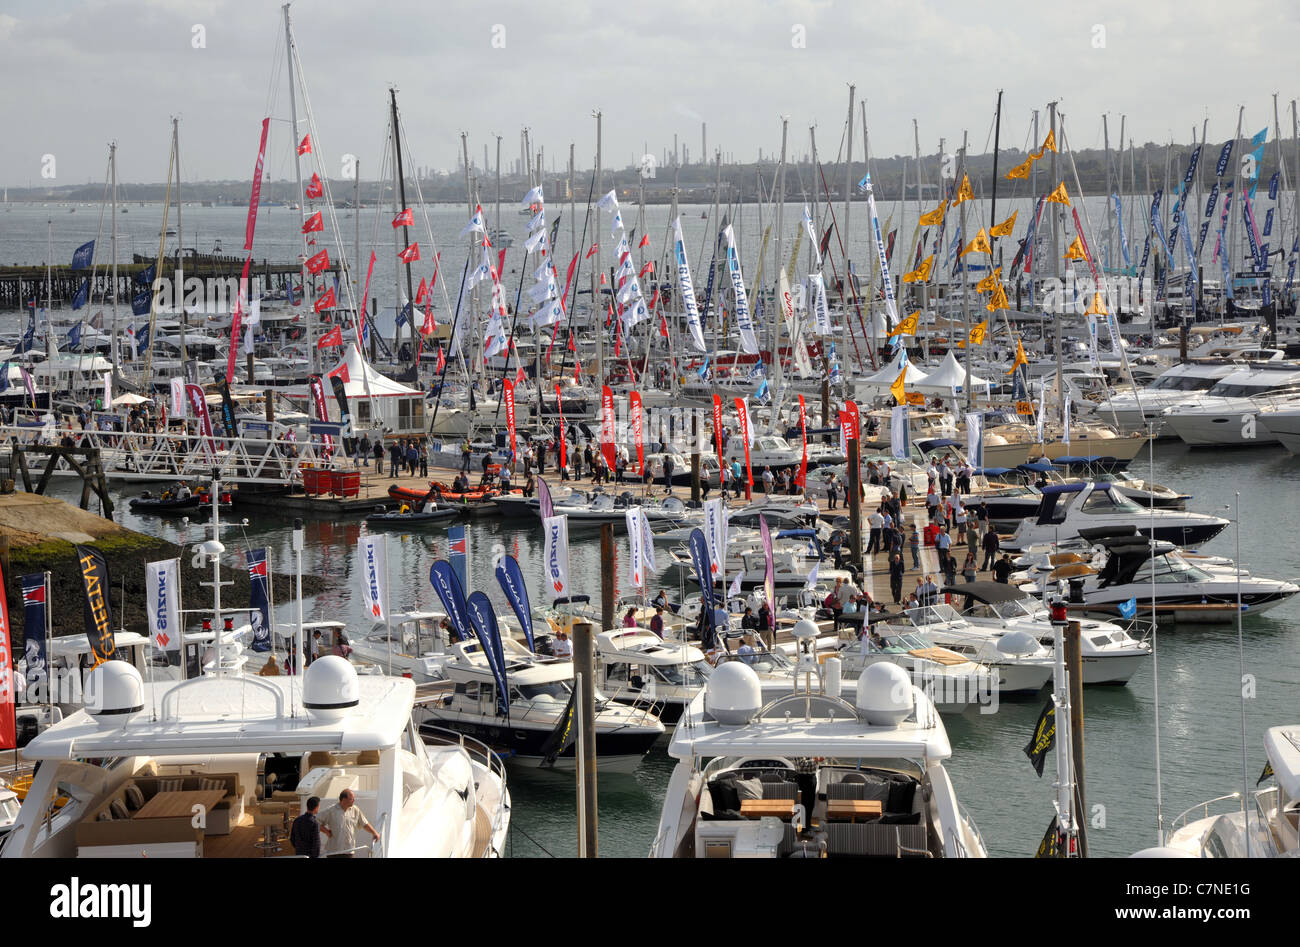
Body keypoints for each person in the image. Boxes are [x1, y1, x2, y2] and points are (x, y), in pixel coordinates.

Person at [320, 789, 380, 857]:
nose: (354, 800)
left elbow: (364, 823)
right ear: (344, 799)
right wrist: (326, 831)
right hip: (334, 852)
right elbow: (316, 822)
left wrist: (374, 833)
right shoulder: (331, 811)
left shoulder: (355, 810)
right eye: (351, 799)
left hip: (349, 850)